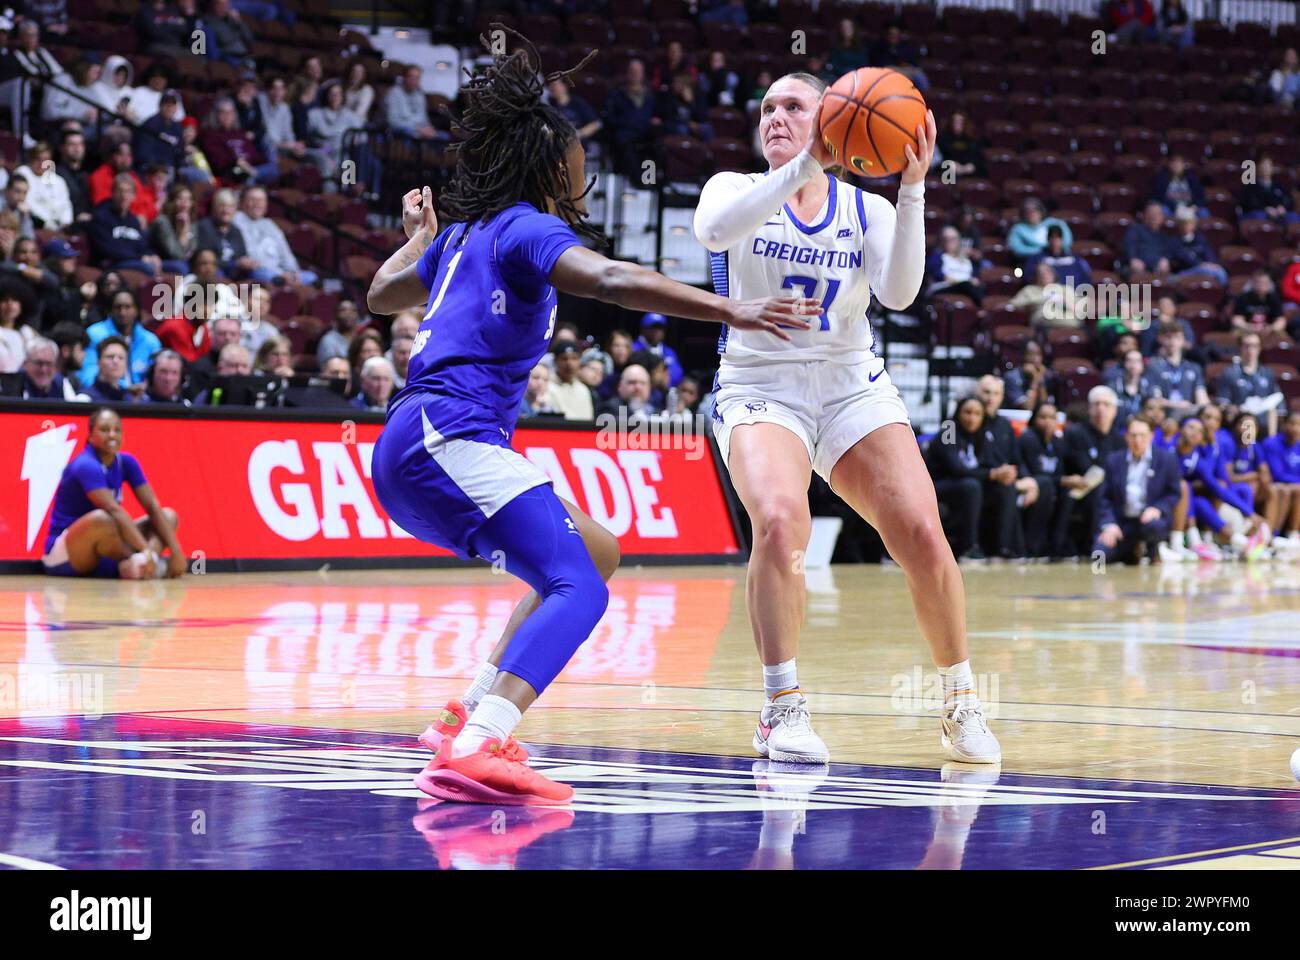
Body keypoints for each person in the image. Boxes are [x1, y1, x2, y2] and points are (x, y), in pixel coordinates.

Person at [366, 35, 817, 805]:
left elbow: (380, 297)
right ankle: (480, 743)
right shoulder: (527, 228)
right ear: (549, 169)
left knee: (596, 550)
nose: (584, 171)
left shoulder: (458, 236)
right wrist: (730, 306)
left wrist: (419, 235)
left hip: (412, 447)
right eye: (575, 160)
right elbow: (609, 278)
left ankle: (462, 717)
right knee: (579, 583)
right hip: (448, 435)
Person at [693, 69, 999, 764]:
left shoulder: (866, 210)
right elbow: (713, 232)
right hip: (760, 383)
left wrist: (913, 187)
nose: (774, 115)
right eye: (766, 107)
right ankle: (781, 707)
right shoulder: (732, 189)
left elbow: (897, 295)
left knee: (921, 530)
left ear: (829, 115)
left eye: (793, 106)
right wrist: (806, 160)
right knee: (777, 519)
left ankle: (960, 702)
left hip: (849, 384)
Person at [41, 408, 184, 579]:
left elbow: (151, 505)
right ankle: (147, 562)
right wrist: (146, 550)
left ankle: (139, 566)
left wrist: (176, 551)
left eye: (117, 430)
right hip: (66, 551)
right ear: (90, 434)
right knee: (102, 519)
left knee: (168, 516)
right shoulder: (86, 464)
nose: (112, 435)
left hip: (109, 544)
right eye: (104, 429)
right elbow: (113, 509)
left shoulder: (127, 462)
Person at [1095, 415, 1180, 564]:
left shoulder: (1167, 459)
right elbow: (1104, 498)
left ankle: (1153, 552)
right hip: (1122, 524)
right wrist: (1110, 524)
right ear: (1126, 436)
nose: (1138, 440)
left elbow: (1174, 493)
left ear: (1151, 436)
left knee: (1154, 526)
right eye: (1133, 435)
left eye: (1143, 435)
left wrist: (1157, 508)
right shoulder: (1113, 460)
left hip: (1150, 523)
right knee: (1099, 556)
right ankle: (1100, 583)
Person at [924, 396, 995, 561]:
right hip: (936, 485)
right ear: (958, 413)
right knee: (971, 486)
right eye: (968, 412)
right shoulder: (949, 430)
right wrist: (991, 474)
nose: (972, 418)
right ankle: (968, 548)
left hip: (961, 485)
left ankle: (1006, 548)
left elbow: (986, 464)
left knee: (1000, 488)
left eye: (977, 414)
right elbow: (956, 469)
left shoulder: (982, 434)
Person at [81, 289, 162, 390]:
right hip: (104, 395)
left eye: (128, 307)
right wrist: (125, 388)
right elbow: (88, 375)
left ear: (136, 310)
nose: (122, 312)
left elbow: (158, 377)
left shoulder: (151, 341)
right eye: (117, 307)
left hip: (143, 400)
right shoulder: (94, 334)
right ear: (110, 310)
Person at [1017, 402, 1069, 559]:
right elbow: (1036, 472)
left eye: (1052, 417)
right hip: (1027, 486)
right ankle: (1033, 547)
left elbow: (1059, 472)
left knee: (1068, 493)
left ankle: (1057, 546)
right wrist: (1062, 480)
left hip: (1050, 485)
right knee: (1046, 484)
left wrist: (1064, 481)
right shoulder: (1028, 438)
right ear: (1034, 419)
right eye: (1043, 417)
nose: (1048, 421)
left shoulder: (1058, 443)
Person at [1146, 320, 1208, 419]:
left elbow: (1203, 401)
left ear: (1183, 340)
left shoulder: (1194, 368)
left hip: (1191, 416)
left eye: (1177, 337)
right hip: (1165, 417)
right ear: (1160, 339)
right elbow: (1156, 400)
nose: (1173, 341)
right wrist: (1180, 405)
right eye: (1168, 337)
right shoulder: (1154, 366)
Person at [1007, 197, 1072, 262]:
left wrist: (1054, 249)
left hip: (1059, 257)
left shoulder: (1056, 223)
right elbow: (1017, 249)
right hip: (1032, 261)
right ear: (1023, 214)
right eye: (1027, 211)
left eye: (1034, 210)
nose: (1031, 213)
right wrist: (1042, 250)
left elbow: (1066, 242)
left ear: (1041, 211)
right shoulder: (1018, 229)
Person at [18, 335, 83, 399]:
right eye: (39, 363)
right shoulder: (13, 385)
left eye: (49, 364)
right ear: (25, 364)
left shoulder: (61, 384)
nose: (44, 370)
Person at [1105, 348, 1159, 422]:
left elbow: (1153, 413)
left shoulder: (1149, 387)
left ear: (1143, 365)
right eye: (1129, 360)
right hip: (1116, 427)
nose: (1133, 365)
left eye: (1137, 361)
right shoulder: (1112, 387)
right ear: (1123, 363)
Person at [547, 340, 596, 421]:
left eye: (574, 358)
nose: (569, 363)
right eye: (564, 358)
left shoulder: (583, 390)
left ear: (580, 361)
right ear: (555, 361)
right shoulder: (546, 386)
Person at [1229, 270, 1287, 337]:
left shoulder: (1274, 298)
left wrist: (1271, 328)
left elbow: (1281, 320)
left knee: (1283, 337)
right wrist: (1250, 327)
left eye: (1265, 283)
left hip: (1269, 330)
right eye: (1259, 282)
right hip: (1247, 330)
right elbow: (1236, 320)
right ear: (1253, 283)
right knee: (1235, 334)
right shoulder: (1243, 298)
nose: (1262, 285)